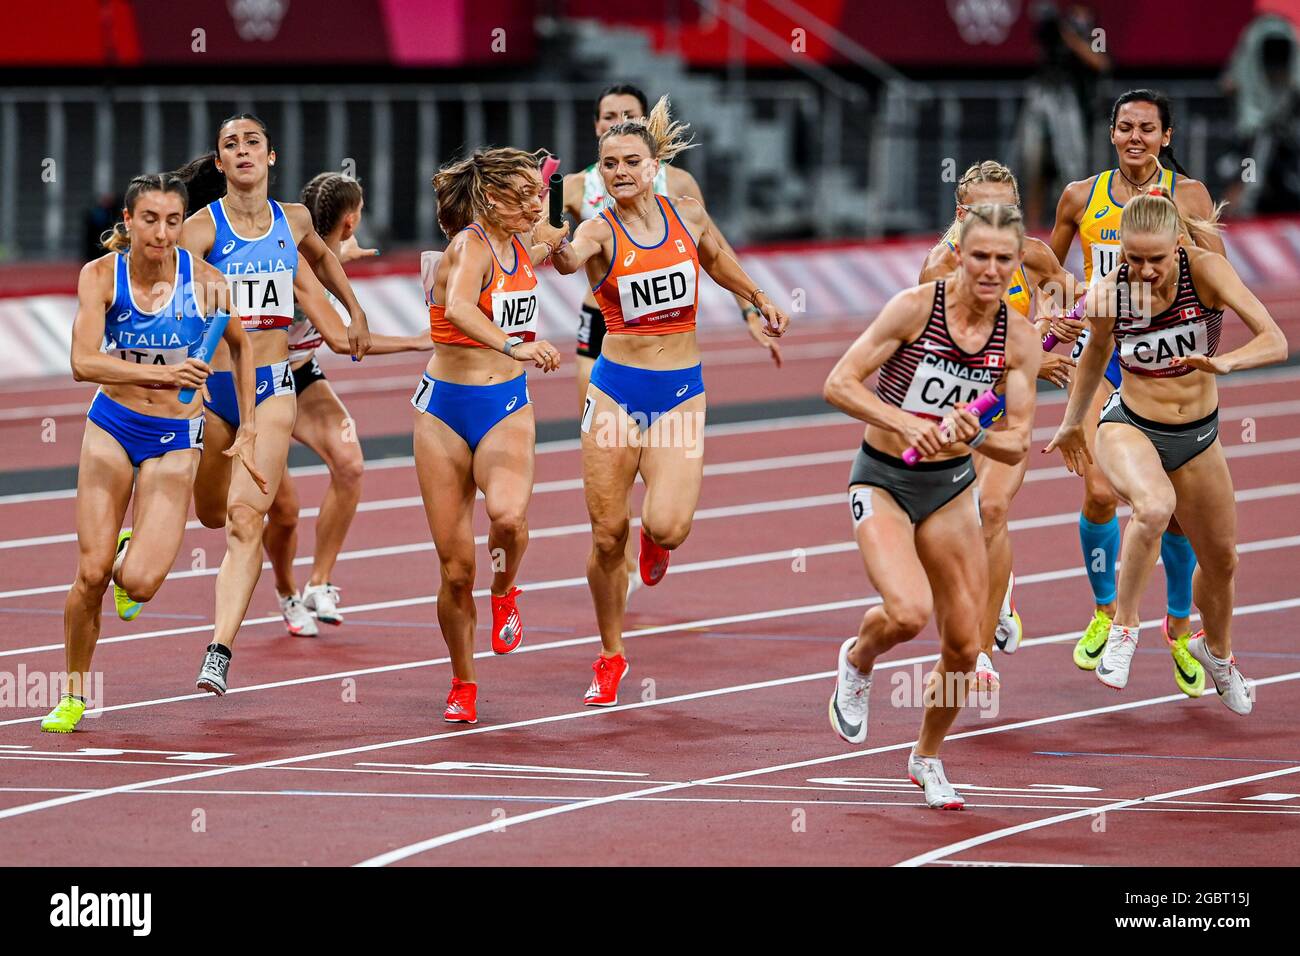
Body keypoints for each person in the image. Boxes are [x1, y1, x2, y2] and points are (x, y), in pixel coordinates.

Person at [551, 96, 788, 706]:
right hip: (614, 390)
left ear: (655, 166)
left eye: (632, 161)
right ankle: (610, 652)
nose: (621, 171)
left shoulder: (689, 214)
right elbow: (567, 258)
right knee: (607, 536)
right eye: (609, 163)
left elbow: (718, 260)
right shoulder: (599, 228)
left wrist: (758, 298)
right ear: (599, 170)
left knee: (668, 525)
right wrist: (551, 239)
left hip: (680, 392)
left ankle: (656, 541)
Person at [824, 203, 1040, 809]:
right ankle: (858, 659)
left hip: (949, 488)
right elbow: (838, 382)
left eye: (1004, 259)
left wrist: (968, 434)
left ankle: (926, 758)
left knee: (965, 645)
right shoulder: (914, 308)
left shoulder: (1018, 338)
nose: (991, 270)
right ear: (958, 256)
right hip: (885, 478)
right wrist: (907, 421)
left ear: (1017, 262)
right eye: (980, 256)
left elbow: (1019, 437)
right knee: (907, 611)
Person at [1045, 188, 1287, 712]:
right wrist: (1070, 423)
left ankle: (1215, 651)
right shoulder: (1114, 291)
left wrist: (1229, 362)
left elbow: (1276, 340)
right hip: (1130, 424)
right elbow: (1093, 359)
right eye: (1133, 258)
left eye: (1155, 258)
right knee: (1153, 508)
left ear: (1178, 242)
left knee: (1222, 560)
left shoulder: (1206, 273)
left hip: (1198, 436)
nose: (1145, 270)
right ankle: (1124, 630)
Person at [41, 174, 262, 732]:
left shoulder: (208, 283)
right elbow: (82, 363)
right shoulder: (101, 277)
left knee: (136, 584)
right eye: (149, 220)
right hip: (112, 426)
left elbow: (241, 347)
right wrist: (164, 375)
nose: (161, 233)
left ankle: (126, 553)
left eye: (171, 221)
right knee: (90, 576)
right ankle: (73, 694)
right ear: (128, 223)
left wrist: (251, 427)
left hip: (174, 440)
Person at [177, 113, 372, 695]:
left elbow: (319, 264)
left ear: (271, 157)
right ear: (219, 163)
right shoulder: (200, 230)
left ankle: (218, 650)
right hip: (214, 393)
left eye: (252, 142)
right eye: (230, 145)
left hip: (270, 386)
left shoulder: (295, 220)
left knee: (245, 520)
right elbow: (162, 281)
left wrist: (353, 312)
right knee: (212, 513)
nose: (242, 151)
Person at [1050, 88, 1227, 696]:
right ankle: (1106, 612)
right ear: (1111, 133)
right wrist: (1061, 310)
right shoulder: (1080, 197)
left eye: (1147, 130)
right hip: (1104, 354)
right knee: (1101, 492)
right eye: (1125, 127)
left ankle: (1178, 626)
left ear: (1166, 137)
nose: (1135, 138)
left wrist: (1202, 351)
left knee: (1172, 511)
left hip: (1167, 359)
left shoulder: (1191, 197)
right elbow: (1049, 272)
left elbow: (1216, 282)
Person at [414, 147, 566, 724]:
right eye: (522, 196)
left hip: (504, 404)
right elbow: (456, 308)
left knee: (507, 517)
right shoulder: (469, 246)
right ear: (490, 200)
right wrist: (513, 344)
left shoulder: (527, 238)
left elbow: (564, 243)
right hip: (443, 411)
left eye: (536, 195)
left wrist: (564, 232)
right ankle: (463, 680)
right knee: (455, 570)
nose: (533, 205)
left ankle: (506, 590)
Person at [918, 160, 1083, 687]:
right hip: (956, 407)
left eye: (1009, 210)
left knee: (990, 510)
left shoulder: (1032, 255)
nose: (999, 221)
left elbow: (1064, 306)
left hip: (1010, 410)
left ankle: (980, 650)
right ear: (961, 213)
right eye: (987, 212)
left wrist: (1058, 327)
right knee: (950, 532)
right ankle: (1001, 584)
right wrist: (1030, 350)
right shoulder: (938, 269)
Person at [264, 172, 432, 636]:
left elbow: (328, 257)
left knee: (350, 464)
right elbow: (343, 342)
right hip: (257, 388)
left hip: (300, 377)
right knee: (284, 510)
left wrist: (344, 253)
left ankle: (319, 583)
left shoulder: (325, 255)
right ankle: (286, 592)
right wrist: (417, 342)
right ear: (353, 217)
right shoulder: (296, 268)